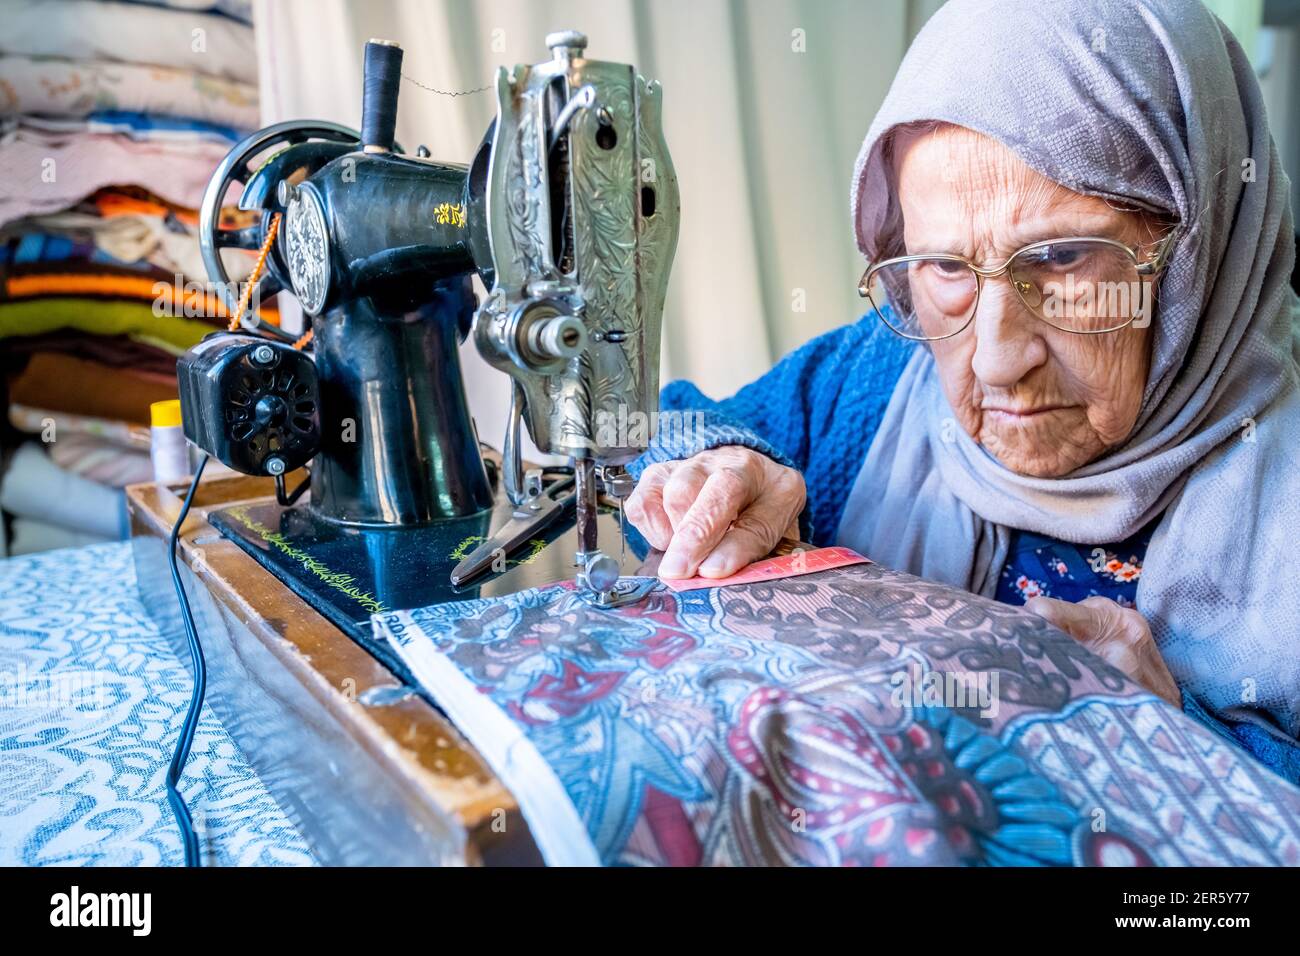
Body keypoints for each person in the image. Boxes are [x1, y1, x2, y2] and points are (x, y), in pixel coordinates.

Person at [625, 0, 1300, 780]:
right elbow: (675, 424)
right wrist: (720, 465)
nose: (992, 361)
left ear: (1200, 255)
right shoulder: (873, 378)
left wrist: (1190, 748)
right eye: (946, 267)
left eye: (1061, 258)